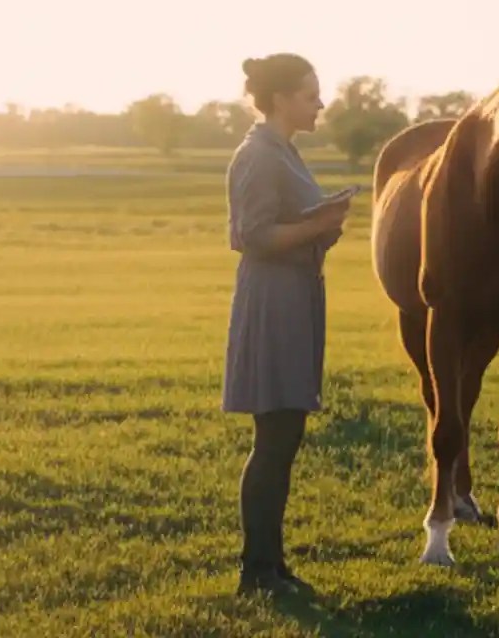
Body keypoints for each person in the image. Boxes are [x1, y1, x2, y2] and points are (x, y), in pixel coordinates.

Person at [223, 52, 351, 597]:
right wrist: (319, 223)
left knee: (286, 434)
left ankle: (273, 565)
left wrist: (323, 226)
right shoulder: (259, 154)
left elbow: (285, 226)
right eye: (309, 94)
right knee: (274, 437)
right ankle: (257, 571)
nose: (320, 103)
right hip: (273, 300)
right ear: (280, 99)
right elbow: (251, 235)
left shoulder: (285, 151)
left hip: (296, 296)